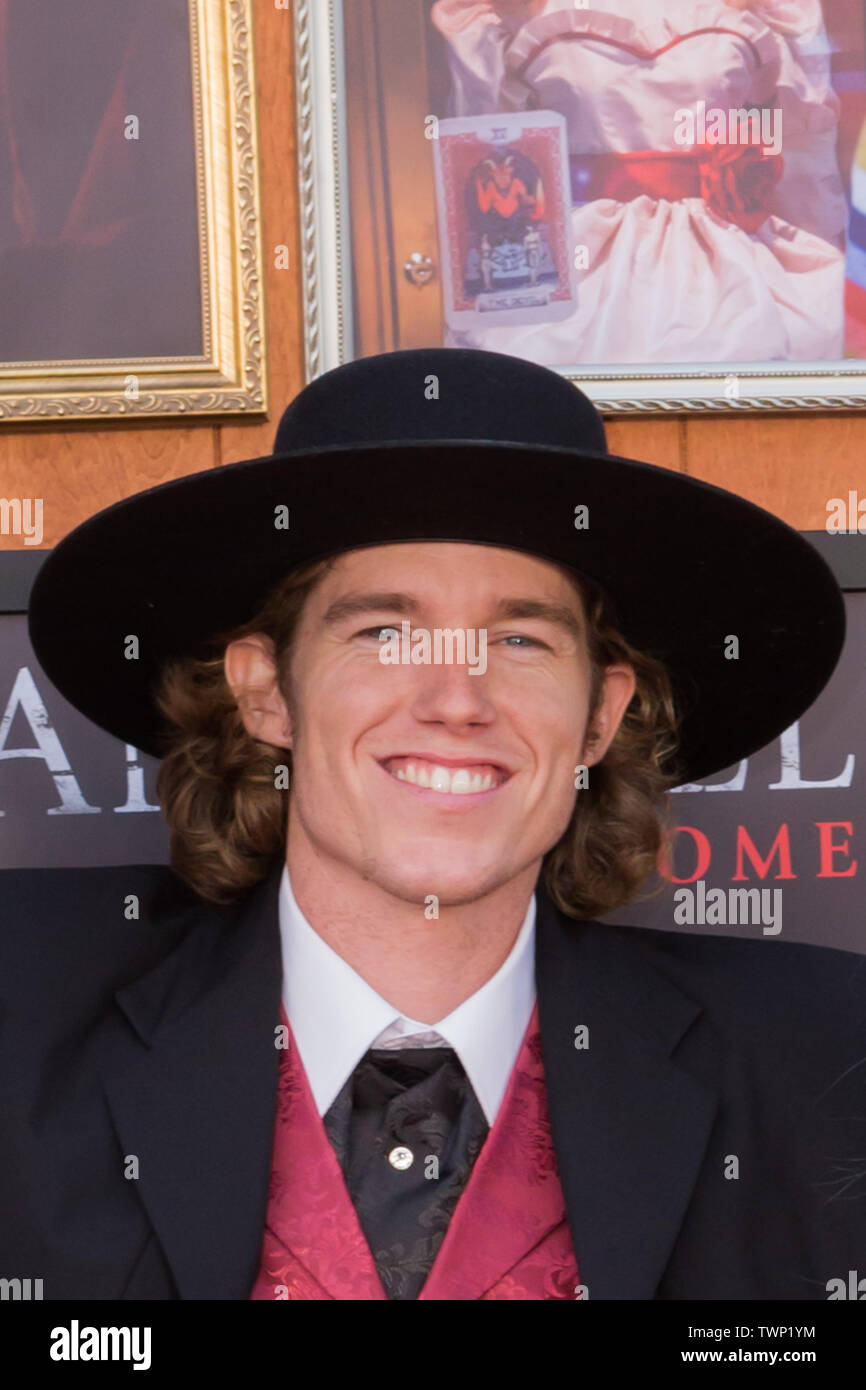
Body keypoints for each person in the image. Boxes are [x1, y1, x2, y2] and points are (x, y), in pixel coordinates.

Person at [2, 346, 864, 1300]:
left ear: (600, 716)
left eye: (520, 639)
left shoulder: (830, 1065)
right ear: (266, 694)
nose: (459, 700)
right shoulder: (23, 1019)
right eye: (384, 632)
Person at [431, 0, 847, 364]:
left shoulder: (756, 8)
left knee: (744, 350)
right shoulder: (518, 11)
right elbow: (487, 152)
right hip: (582, 250)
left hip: (722, 252)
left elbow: (796, 143)